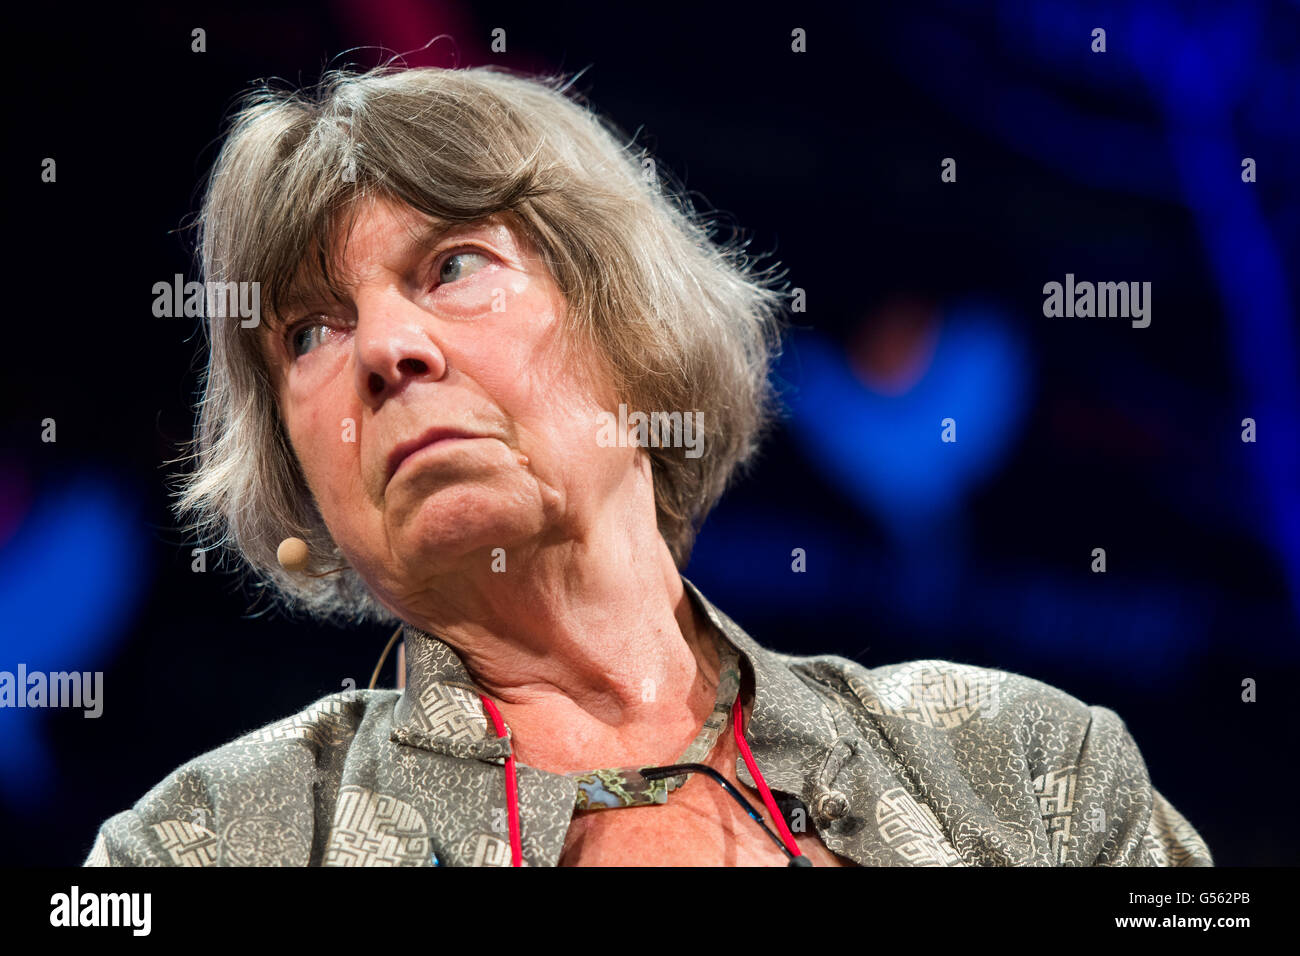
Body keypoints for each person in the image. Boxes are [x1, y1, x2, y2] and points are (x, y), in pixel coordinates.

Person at [83, 63, 1212, 867]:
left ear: (632, 332)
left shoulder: (1031, 773)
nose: (384, 348)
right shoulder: (200, 848)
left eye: (454, 263)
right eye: (308, 333)